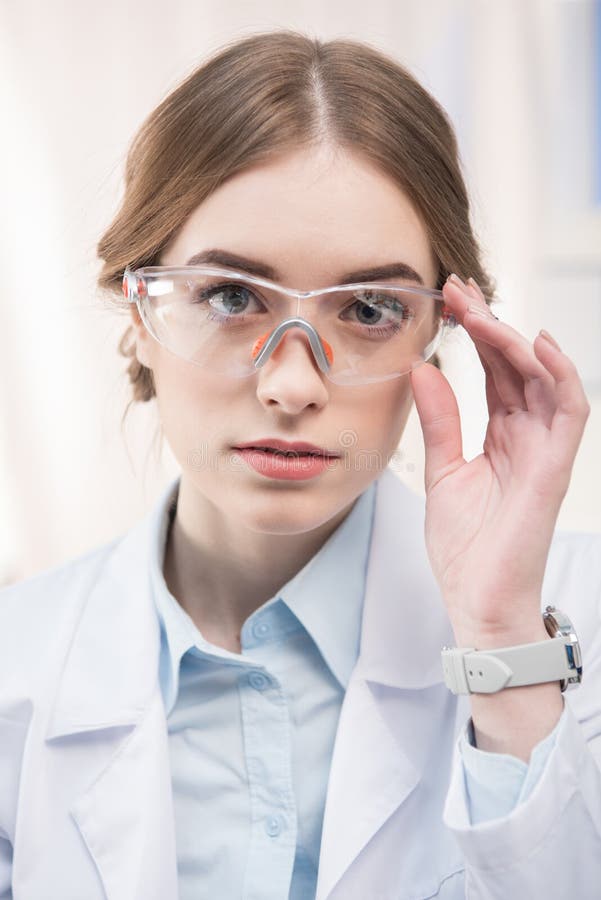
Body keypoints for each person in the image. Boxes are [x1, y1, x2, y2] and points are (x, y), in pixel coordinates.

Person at [1, 30, 600, 900]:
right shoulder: (15, 667)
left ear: (440, 332)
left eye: (367, 309)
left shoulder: (568, 614)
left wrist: (501, 636)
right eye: (231, 296)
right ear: (136, 312)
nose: (291, 384)